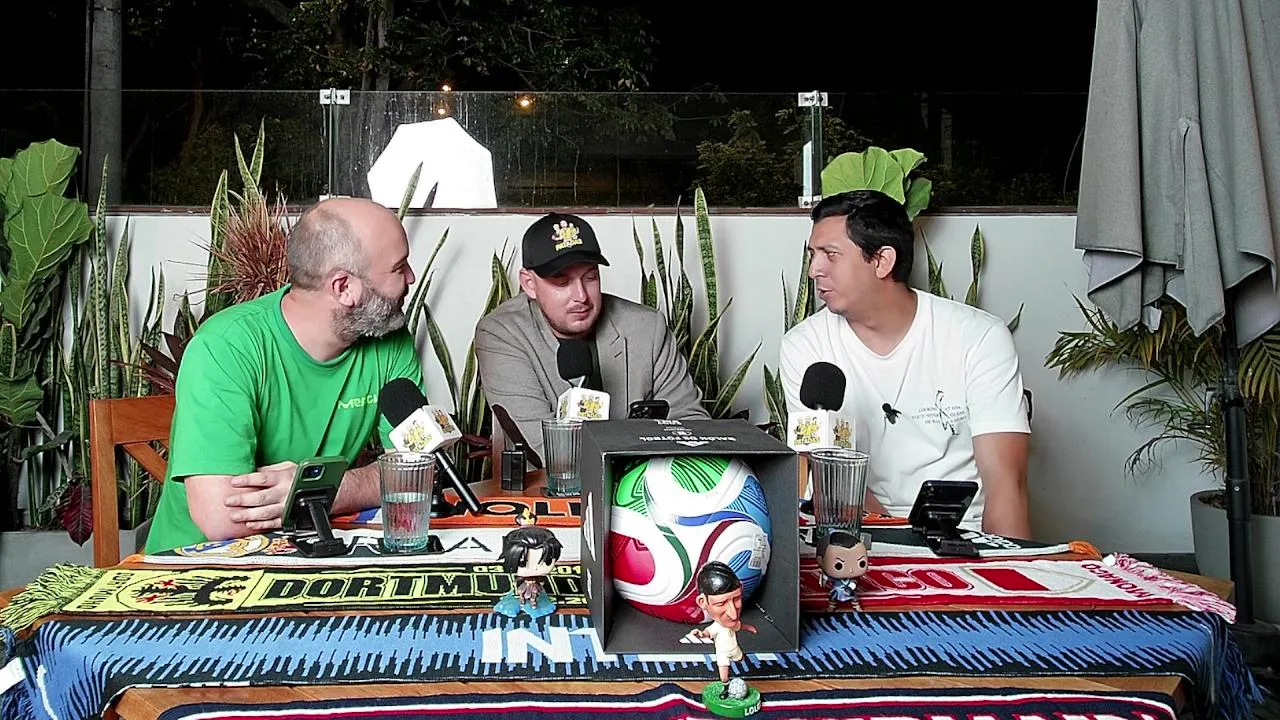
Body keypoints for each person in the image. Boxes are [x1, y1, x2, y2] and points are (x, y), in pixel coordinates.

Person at [144, 197, 424, 553]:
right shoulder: (225, 347)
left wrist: (318, 490)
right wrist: (372, 482)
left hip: (311, 551)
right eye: (399, 268)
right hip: (195, 567)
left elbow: (420, 470)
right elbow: (223, 518)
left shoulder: (388, 336)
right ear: (344, 287)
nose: (411, 277)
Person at [779, 190, 1031, 538]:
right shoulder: (805, 346)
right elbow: (831, 478)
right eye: (813, 255)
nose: (813, 270)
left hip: (967, 535)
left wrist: (1009, 565)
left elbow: (1006, 483)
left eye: (830, 255)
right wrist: (904, 544)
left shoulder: (979, 337)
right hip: (862, 534)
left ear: (882, 261)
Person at [474, 212, 708, 460]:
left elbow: (693, 428)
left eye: (590, 277)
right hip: (551, 483)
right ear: (529, 283)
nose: (581, 296)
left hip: (649, 480)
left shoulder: (648, 327)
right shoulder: (501, 334)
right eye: (562, 282)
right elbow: (547, 449)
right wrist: (638, 442)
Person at [692, 561, 757, 699]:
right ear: (703, 602)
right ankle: (725, 688)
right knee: (724, 672)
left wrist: (750, 628)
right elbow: (707, 633)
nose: (733, 614)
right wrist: (700, 634)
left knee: (741, 658)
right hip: (723, 653)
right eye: (721, 603)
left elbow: (739, 625)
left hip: (735, 649)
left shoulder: (733, 623)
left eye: (737, 599)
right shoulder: (716, 627)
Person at [493, 521, 564, 618]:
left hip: (534, 586)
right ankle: (521, 600)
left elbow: (541, 582)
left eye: (547, 562)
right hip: (524, 584)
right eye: (522, 563)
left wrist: (540, 583)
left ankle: (533, 602)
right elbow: (517, 581)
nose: (535, 568)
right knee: (520, 592)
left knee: (534, 594)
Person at [815, 529, 869, 612]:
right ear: (820, 561)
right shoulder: (834, 578)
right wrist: (824, 579)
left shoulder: (852, 579)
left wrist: (850, 587)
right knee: (833, 597)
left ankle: (856, 606)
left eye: (861, 563)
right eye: (838, 565)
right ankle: (831, 606)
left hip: (848, 589)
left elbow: (854, 582)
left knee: (854, 597)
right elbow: (826, 579)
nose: (850, 570)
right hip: (837, 589)